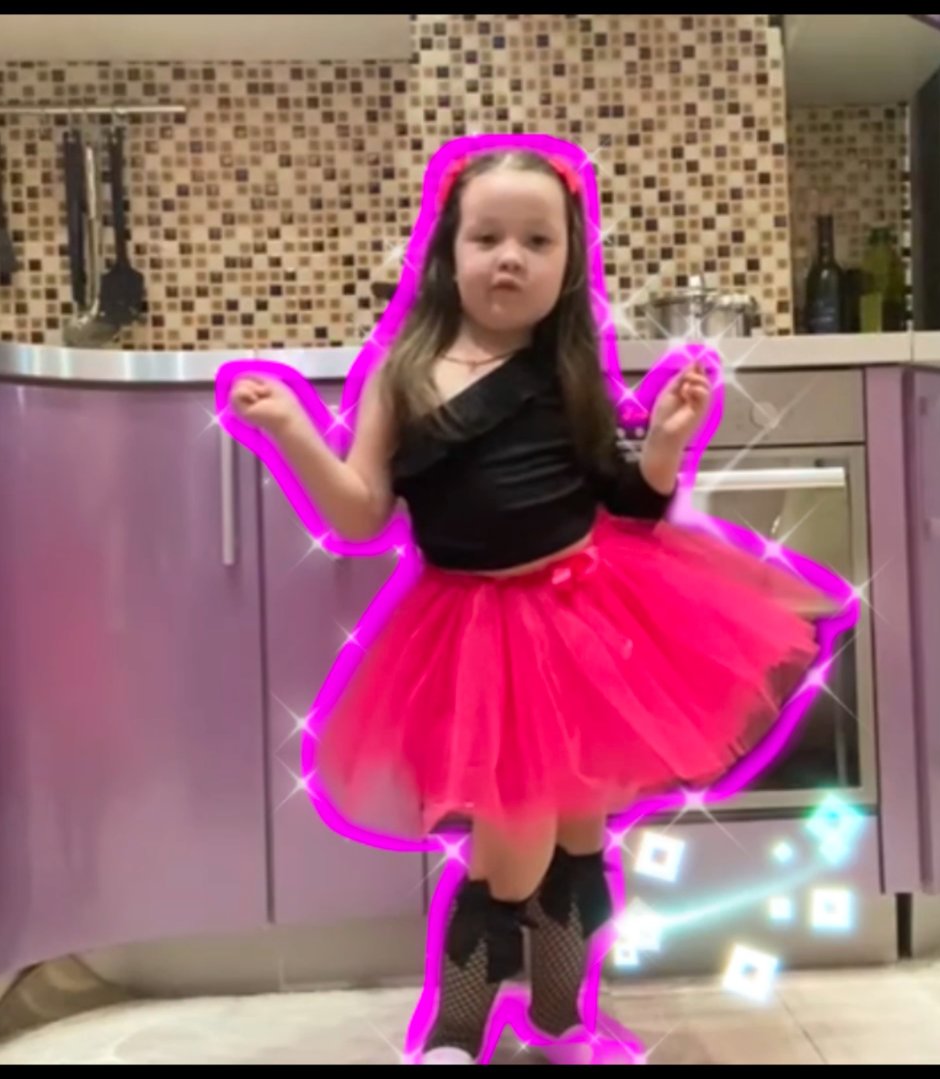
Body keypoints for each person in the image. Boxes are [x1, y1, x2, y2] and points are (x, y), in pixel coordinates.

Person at [221, 136, 829, 1065]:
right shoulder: (401, 372)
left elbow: (630, 503)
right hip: (472, 632)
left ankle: (560, 1021)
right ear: (448, 251)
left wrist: (666, 440)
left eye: (537, 242)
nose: (510, 258)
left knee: (580, 836)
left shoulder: (570, 373)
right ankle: (456, 1033)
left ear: (568, 263)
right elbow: (360, 514)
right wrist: (293, 433)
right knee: (513, 844)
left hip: (587, 621)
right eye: (488, 238)